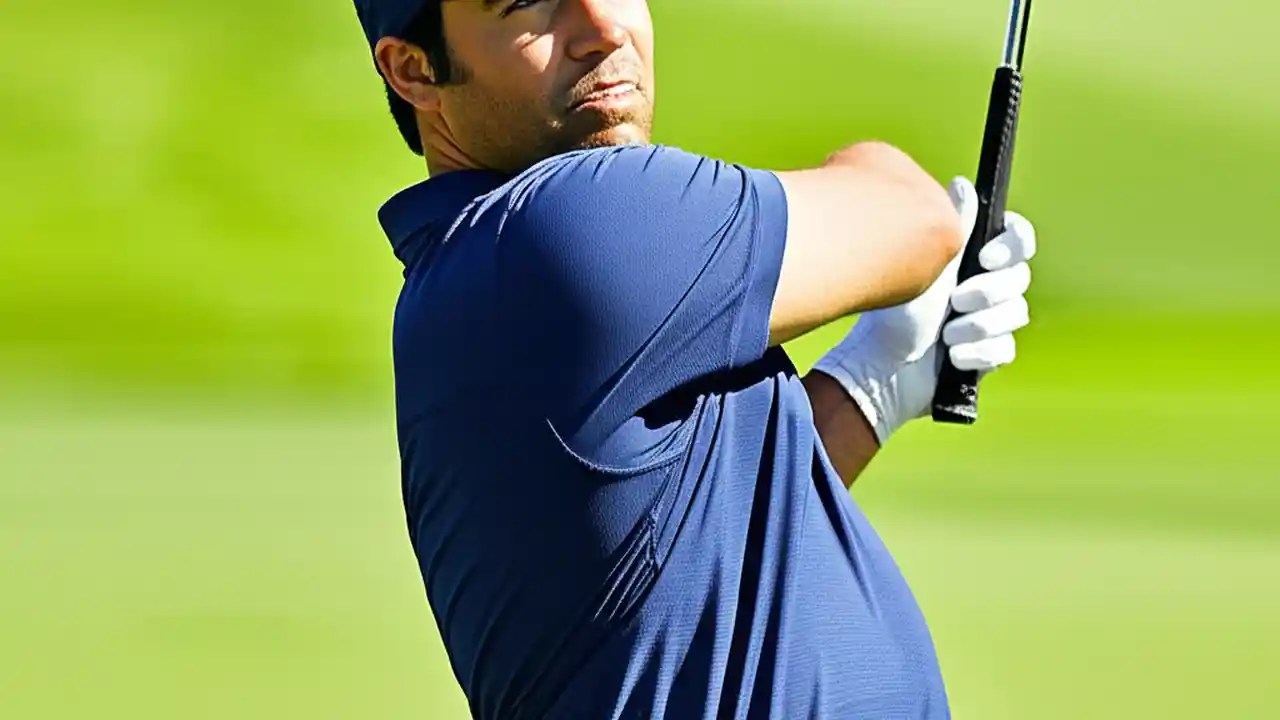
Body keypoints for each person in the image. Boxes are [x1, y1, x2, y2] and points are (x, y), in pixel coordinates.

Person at [352, 0, 1038, 717]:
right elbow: (915, 215)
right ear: (413, 68)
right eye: (529, 3)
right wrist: (937, 240)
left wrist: (867, 388)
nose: (603, 27)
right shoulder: (567, 228)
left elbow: (693, 564)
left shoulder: (470, 284)